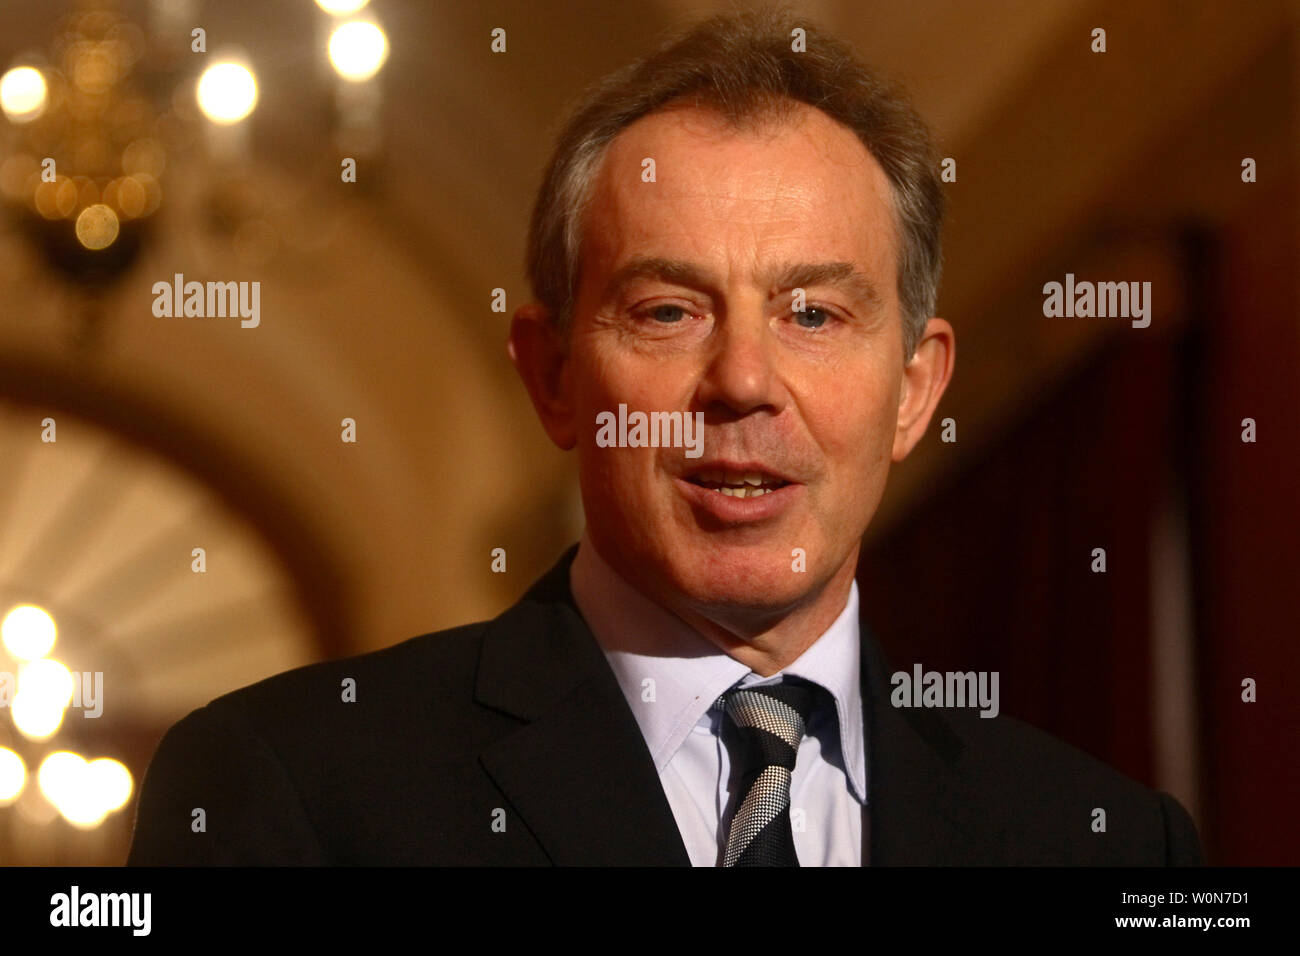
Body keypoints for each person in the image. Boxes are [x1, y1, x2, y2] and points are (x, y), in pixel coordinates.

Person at [127, 8, 1203, 866]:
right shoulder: (291, 788)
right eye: (666, 310)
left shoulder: (1107, 844)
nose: (742, 381)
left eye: (814, 315)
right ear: (551, 374)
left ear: (914, 389)